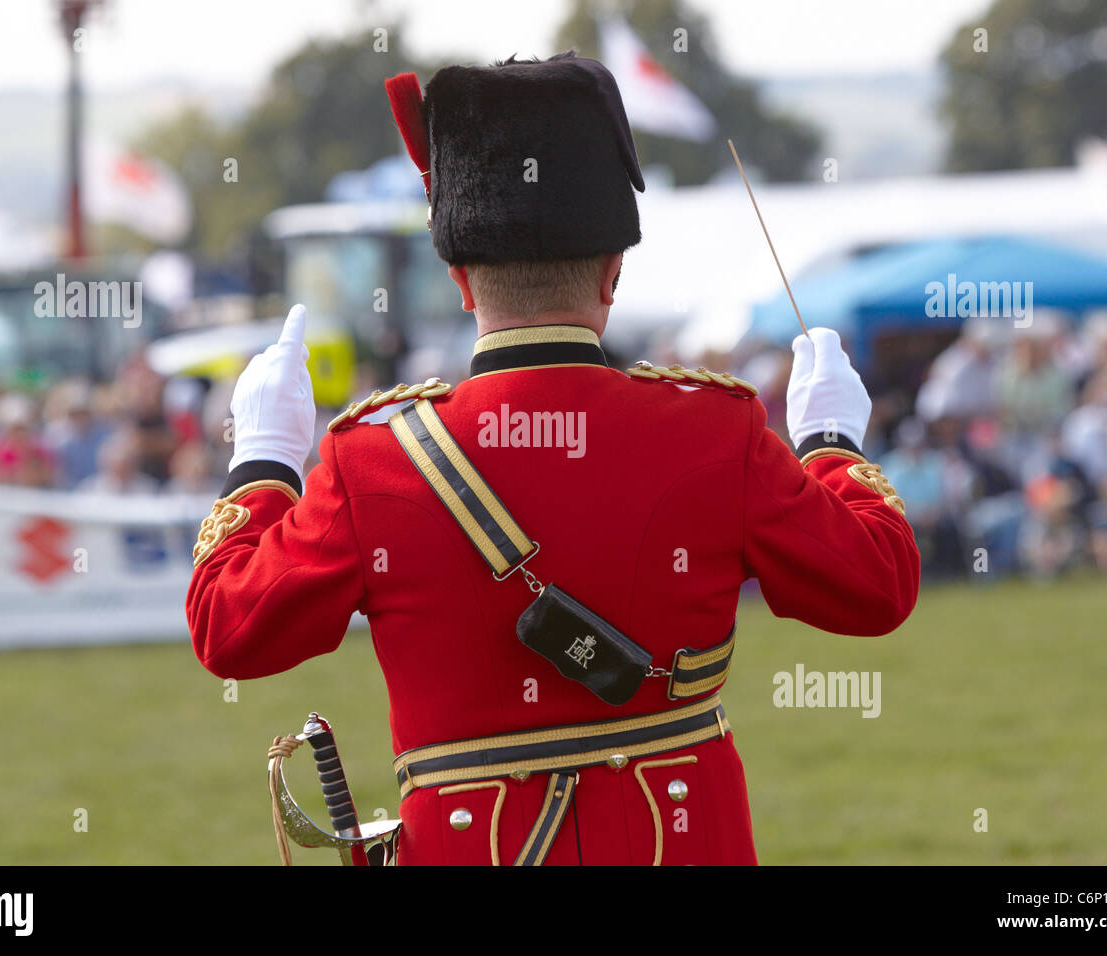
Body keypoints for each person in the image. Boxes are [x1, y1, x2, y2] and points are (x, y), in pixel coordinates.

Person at [186, 52, 919, 866]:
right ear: (613, 275)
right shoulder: (717, 428)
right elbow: (877, 584)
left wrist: (262, 460)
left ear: (461, 281)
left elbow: (229, 629)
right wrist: (828, 442)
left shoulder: (373, 460)